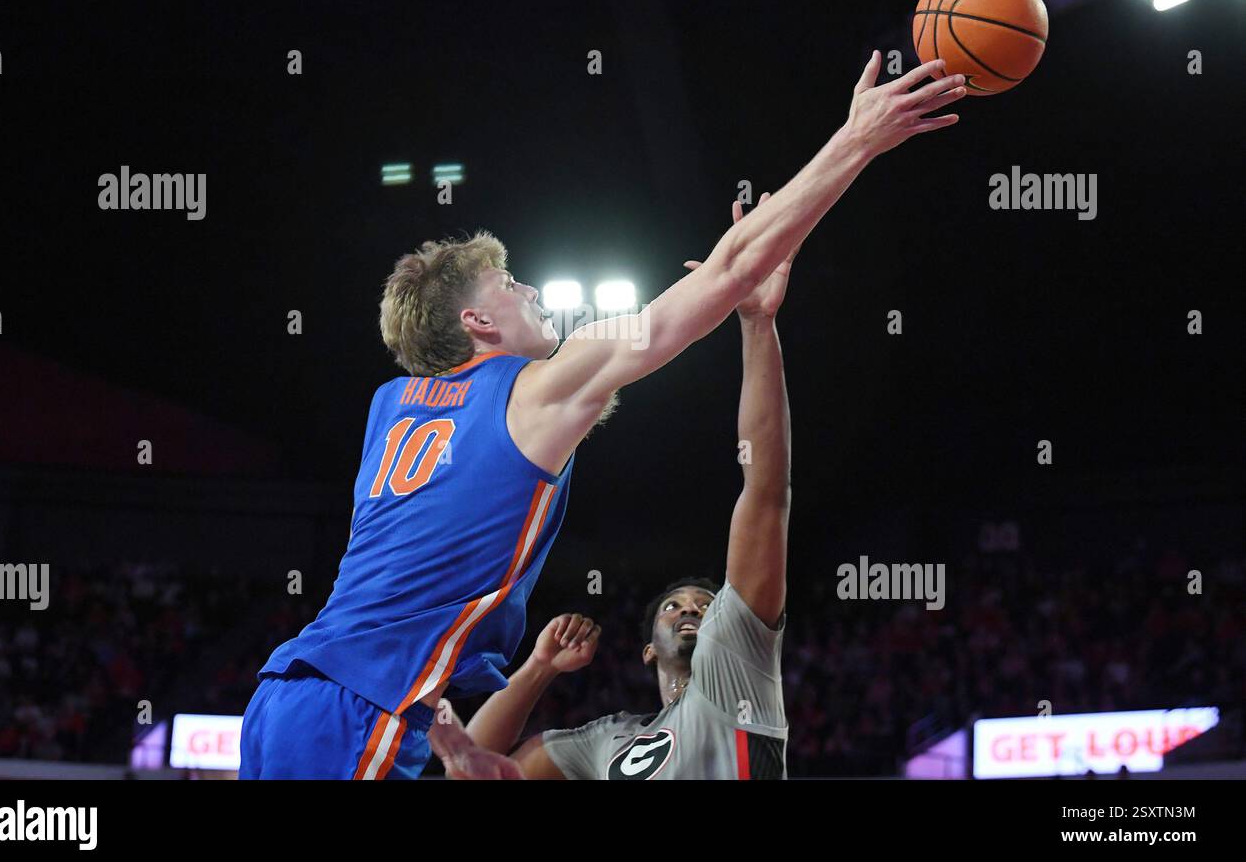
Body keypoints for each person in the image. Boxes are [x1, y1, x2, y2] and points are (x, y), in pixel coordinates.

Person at [239, 55, 965, 779]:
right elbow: (728, 271)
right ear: (475, 320)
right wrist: (857, 140)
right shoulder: (533, 391)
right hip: (361, 706)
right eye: (511, 284)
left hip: (292, 696)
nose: (531, 291)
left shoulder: (388, 406)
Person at [462, 197, 795, 778]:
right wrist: (539, 666)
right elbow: (472, 764)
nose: (691, 610)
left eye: (705, 606)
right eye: (674, 606)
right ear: (648, 650)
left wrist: (757, 324)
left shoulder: (738, 662)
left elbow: (765, 489)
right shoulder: (608, 743)